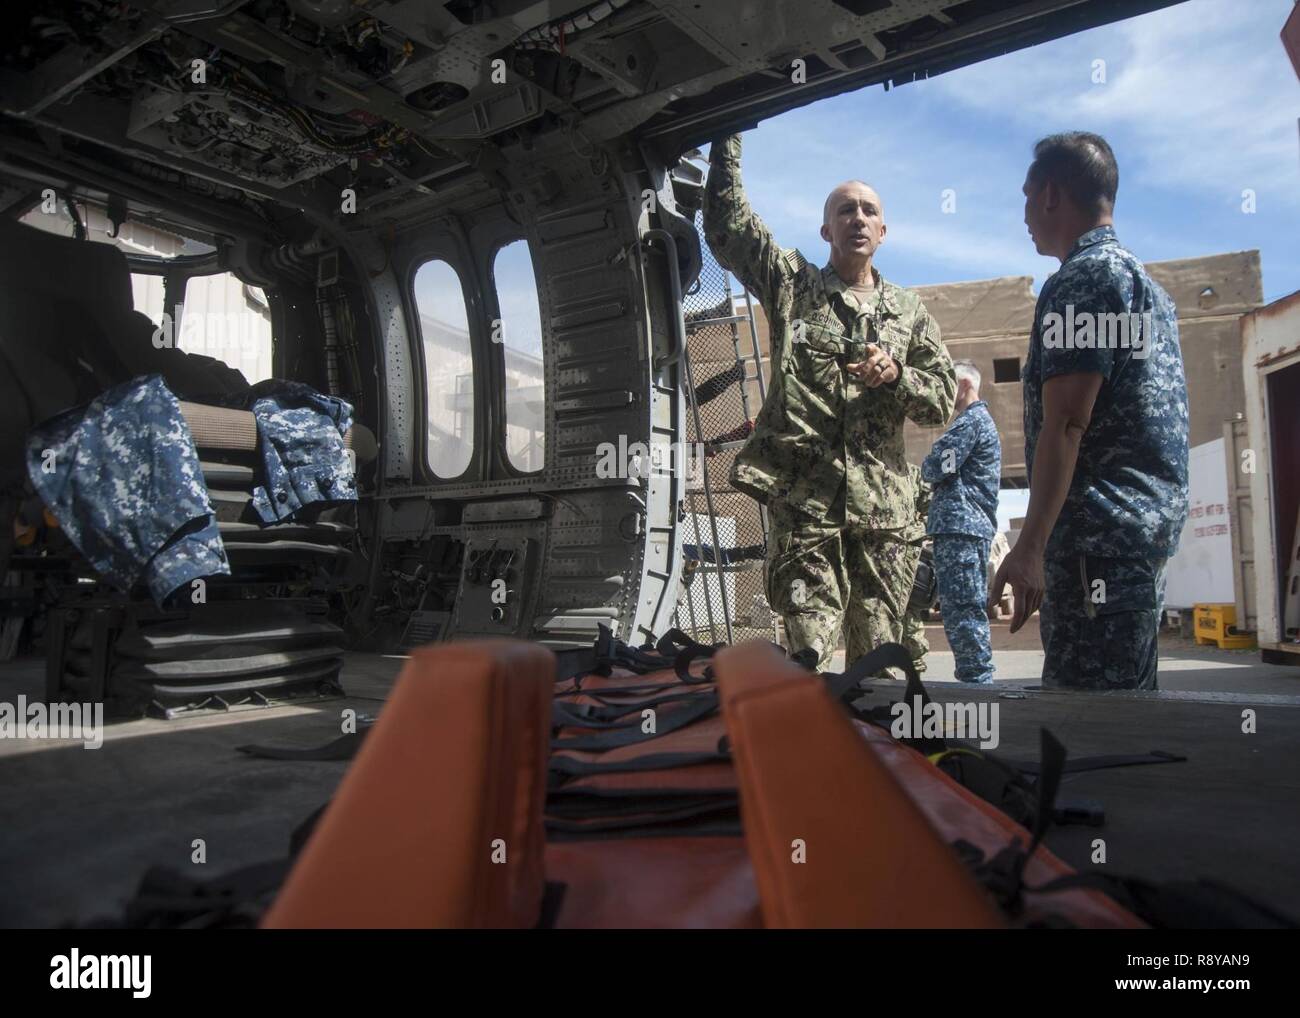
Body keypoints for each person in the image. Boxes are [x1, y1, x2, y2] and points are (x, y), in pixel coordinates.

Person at [702, 133, 955, 670]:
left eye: (869, 211)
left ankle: (879, 754)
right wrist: (727, 140)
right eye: (845, 210)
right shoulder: (793, 287)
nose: (857, 218)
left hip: (884, 523)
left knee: (886, 667)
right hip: (806, 511)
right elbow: (730, 230)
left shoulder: (910, 313)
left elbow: (940, 401)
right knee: (808, 660)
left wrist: (896, 375)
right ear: (826, 229)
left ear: (883, 232)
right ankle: (807, 752)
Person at [989, 132, 1189, 690]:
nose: (1025, 214)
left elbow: (1069, 422)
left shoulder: (1084, 279)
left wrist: (1029, 549)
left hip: (1095, 549)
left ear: (1051, 193)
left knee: (1089, 731)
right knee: (1125, 716)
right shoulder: (1145, 286)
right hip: (1128, 546)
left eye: (1027, 197)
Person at [922, 360, 1001, 683]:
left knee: (964, 612)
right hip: (962, 529)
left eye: (948, 384)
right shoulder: (975, 422)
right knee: (960, 611)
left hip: (963, 528)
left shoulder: (971, 422)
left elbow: (933, 467)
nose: (943, 392)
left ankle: (979, 686)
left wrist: (932, 461)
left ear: (965, 385)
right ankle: (976, 683)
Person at [901, 463, 932, 674]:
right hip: (880, 551)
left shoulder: (912, 473)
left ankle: (916, 672)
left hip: (905, 554)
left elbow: (931, 508)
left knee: (909, 616)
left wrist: (917, 530)